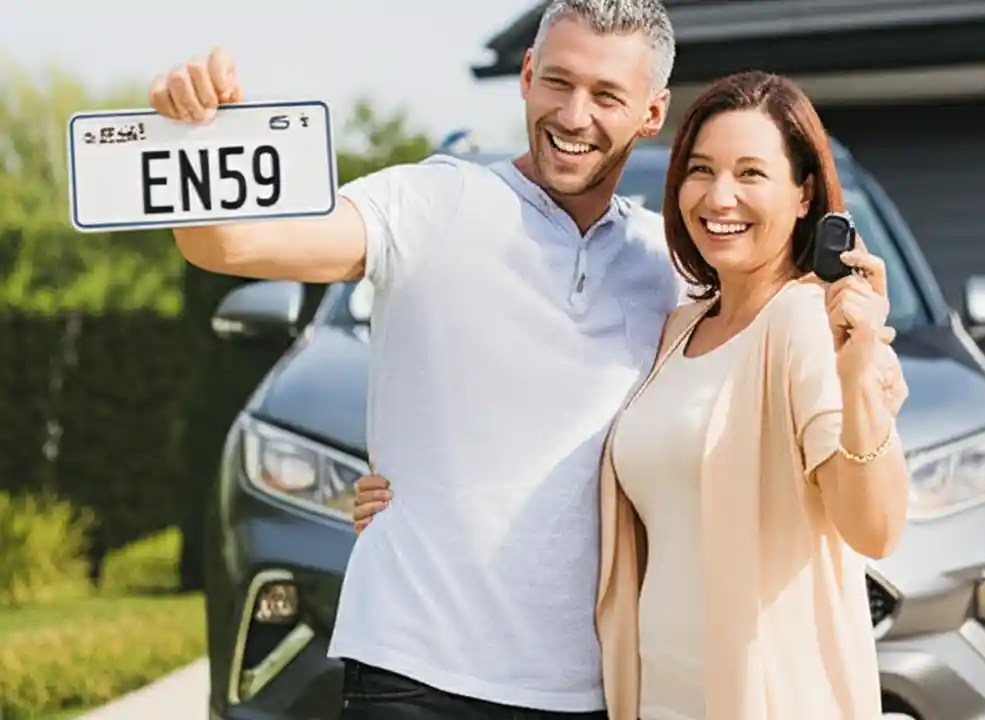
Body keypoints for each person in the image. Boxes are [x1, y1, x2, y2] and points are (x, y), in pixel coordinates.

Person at [149, 1, 689, 717]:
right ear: (526, 75)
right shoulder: (431, 201)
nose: (573, 113)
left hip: (588, 687)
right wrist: (201, 138)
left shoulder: (668, 264)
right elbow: (231, 245)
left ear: (652, 113)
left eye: (607, 95)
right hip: (414, 671)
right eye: (558, 82)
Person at [354, 71, 912, 719]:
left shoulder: (803, 325)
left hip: (762, 697)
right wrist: (413, 498)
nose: (719, 197)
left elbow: (874, 528)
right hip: (658, 695)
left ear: (802, 194)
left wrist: (858, 370)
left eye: (752, 174)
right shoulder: (681, 324)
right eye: (701, 170)